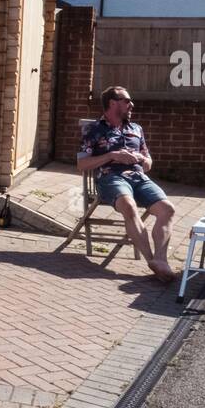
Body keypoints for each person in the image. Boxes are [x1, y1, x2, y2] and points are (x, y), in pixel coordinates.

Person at [76, 86, 177, 282]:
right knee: (129, 206)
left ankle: (161, 260)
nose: (132, 104)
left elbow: (148, 162)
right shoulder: (94, 130)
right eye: (126, 100)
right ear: (113, 103)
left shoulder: (136, 129)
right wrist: (112, 155)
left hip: (139, 178)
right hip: (110, 178)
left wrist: (142, 159)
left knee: (168, 210)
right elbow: (81, 164)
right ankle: (151, 260)